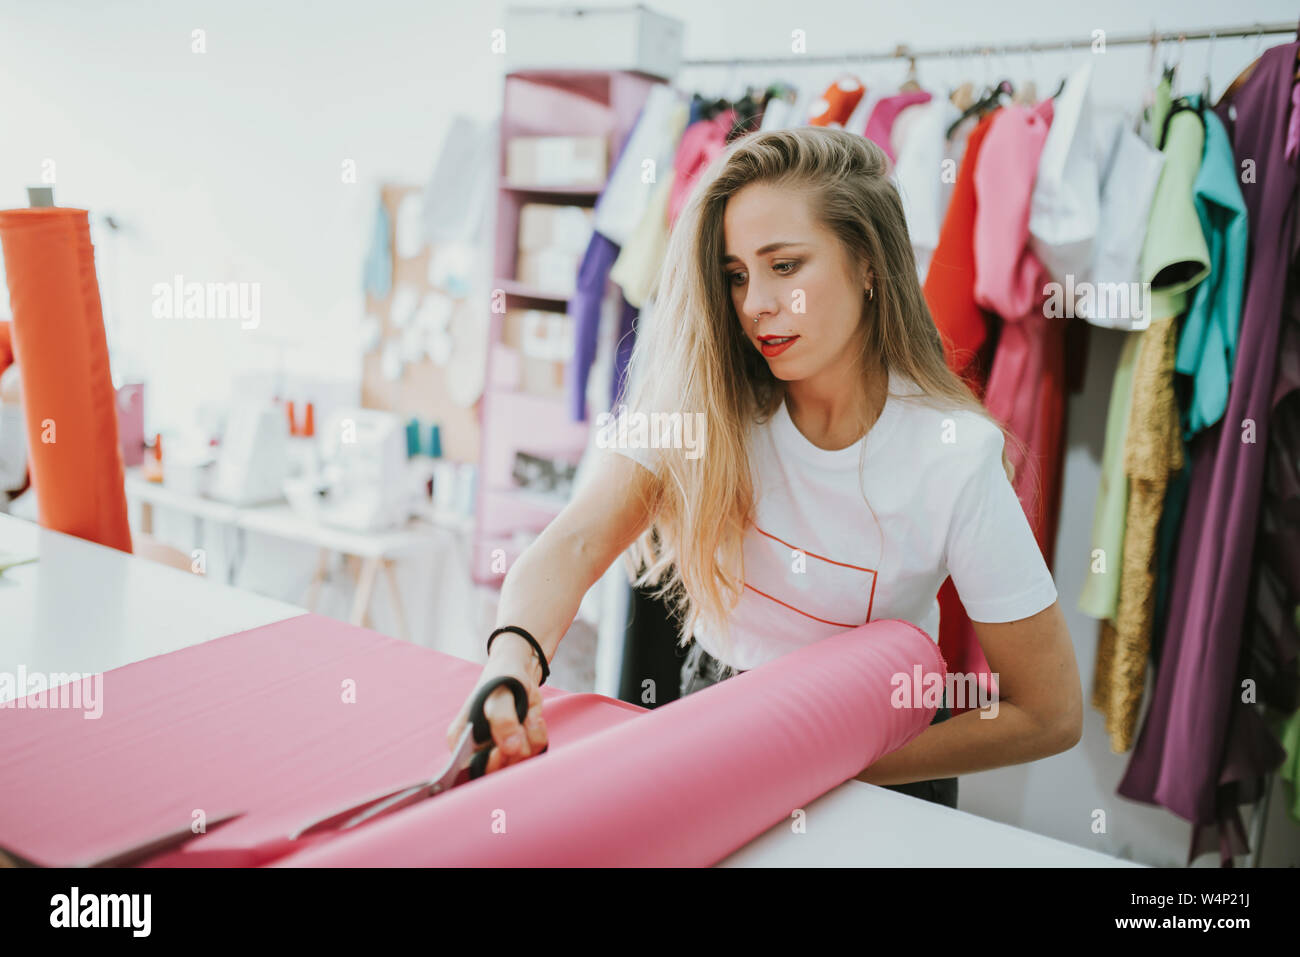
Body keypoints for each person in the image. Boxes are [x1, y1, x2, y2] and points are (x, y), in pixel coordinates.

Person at [446, 127, 1082, 805]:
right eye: (737, 275)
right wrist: (510, 660)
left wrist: (831, 765)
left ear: (869, 264)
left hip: (877, 758)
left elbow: (1049, 712)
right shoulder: (706, 406)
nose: (755, 304)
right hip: (717, 715)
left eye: (785, 266)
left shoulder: (951, 455)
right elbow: (573, 543)